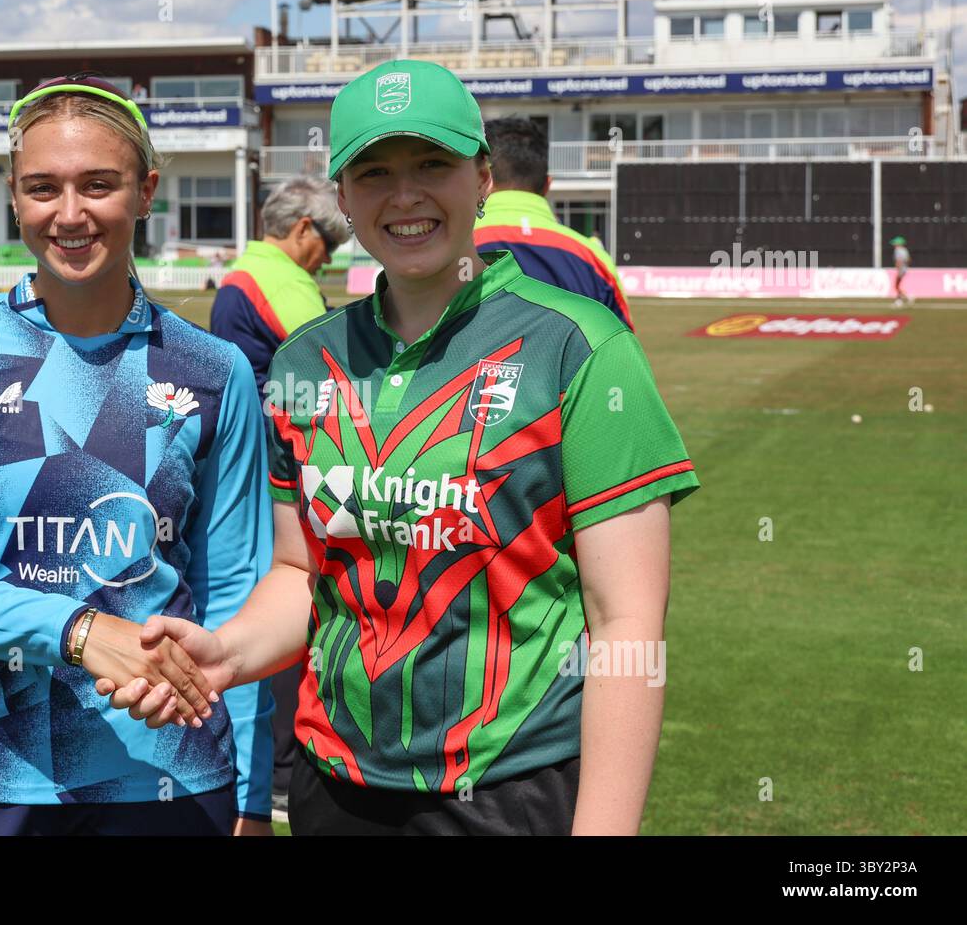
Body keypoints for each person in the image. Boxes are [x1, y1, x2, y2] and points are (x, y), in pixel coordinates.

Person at [105, 59, 700, 836]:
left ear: (482, 177)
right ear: (344, 198)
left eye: (433, 164)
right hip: (334, 790)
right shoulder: (300, 364)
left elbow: (627, 624)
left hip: (509, 789)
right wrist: (226, 652)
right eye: (374, 172)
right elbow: (298, 570)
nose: (405, 194)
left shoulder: (582, 348)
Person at [0, 72, 274, 836]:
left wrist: (251, 796)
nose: (70, 214)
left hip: (173, 781)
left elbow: (234, 599)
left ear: (147, 190)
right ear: (14, 197)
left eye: (98, 185)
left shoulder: (213, 369)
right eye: (42, 188)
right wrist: (82, 632)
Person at [209, 174, 347, 813]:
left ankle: (274, 764)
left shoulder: (244, 272)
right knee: (304, 601)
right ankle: (287, 768)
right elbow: (339, 373)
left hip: (248, 461)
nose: (335, 255)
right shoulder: (283, 281)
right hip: (286, 469)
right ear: (302, 230)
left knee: (268, 598)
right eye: (332, 241)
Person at [474, 115, 633, 330]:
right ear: (548, 185)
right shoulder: (595, 261)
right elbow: (620, 351)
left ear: (482, 179)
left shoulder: (447, 249)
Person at [211, 175, 346, 396]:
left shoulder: (241, 272)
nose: (328, 259)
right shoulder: (287, 284)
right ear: (303, 229)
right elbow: (336, 367)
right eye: (329, 245)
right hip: (277, 424)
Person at [890, 235, 912, 308]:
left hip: (901, 269)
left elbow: (898, 261)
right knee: (897, 285)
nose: (894, 245)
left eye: (895, 243)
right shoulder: (905, 250)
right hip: (904, 269)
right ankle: (900, 300)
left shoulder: (897, 250)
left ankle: (905, 298)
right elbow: (909, 260)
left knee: (896, 286)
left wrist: (899, 269)